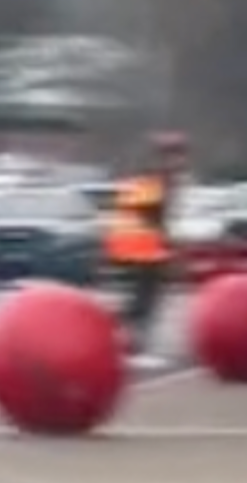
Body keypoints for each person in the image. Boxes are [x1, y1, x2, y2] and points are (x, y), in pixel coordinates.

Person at [104, 131, 188, 366]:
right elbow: (152, 216)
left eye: (180, 156)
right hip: (140, 243)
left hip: (135, 241)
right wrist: (166, 245)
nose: (180, 162)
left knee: (143, 294)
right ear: (164, 156)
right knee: (146, 295)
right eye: (175, 156)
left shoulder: (155, 175)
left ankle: (130, 335)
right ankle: (128, 337)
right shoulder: (157, 178)